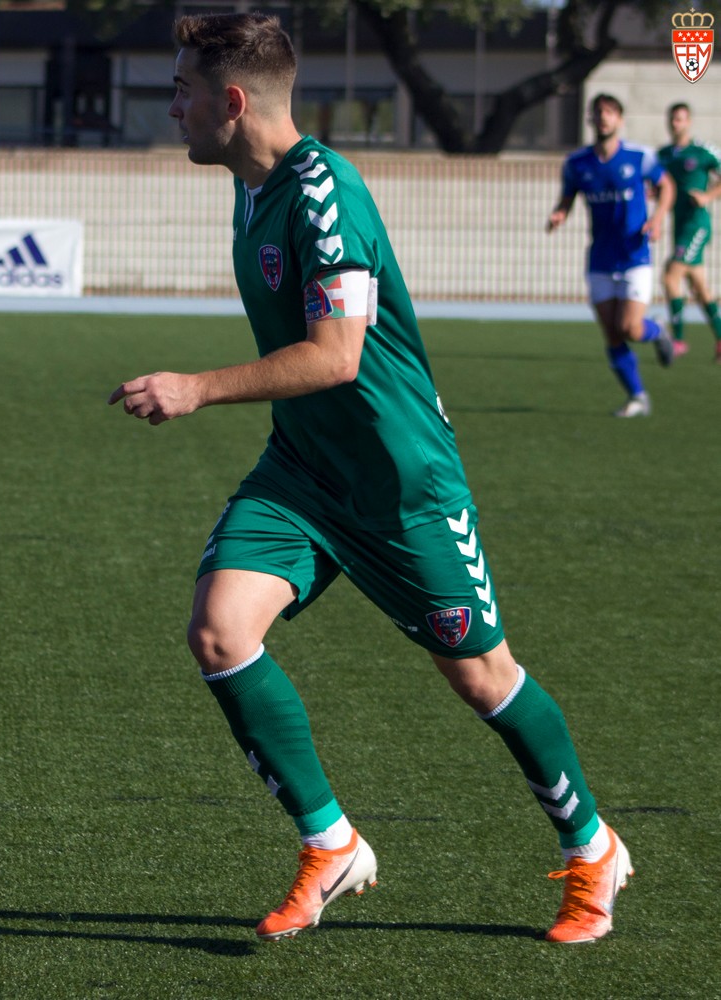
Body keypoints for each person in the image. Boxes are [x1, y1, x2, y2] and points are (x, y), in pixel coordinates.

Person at [108, 12, 628, 945]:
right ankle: (331, 844)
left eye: (182, 87)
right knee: (220, 632)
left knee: (480, 677)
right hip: (305, 472)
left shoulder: (324, 194)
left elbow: (339, 355)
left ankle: (593, 849)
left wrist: (196, 388)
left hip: (402, 488)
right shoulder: (250, 187)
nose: (172, 104)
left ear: (232, 101)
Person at [548, 94, 676, 417]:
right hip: (600, 259)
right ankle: (637, 396)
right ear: (591, 120)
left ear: (620, 119)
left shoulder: (639, 156)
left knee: (631, 328)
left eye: (610, 112)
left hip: (634, 256)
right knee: (612, 333)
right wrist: (559, 215)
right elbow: (567, 198)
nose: (604, 118)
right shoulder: (577, 163)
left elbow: (667, 186)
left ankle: (658, 330)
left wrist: (658, 218)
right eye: (599, 113)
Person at [658, 102, 721, 362]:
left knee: (670, 277)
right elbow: (656, 183)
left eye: (681, 119)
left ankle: (679, 340)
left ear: (689, 122)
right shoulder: (663, 155)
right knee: (699, 287)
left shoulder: (703, 151)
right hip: (679, 225)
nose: (676, 124)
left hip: (696, 225)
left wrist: (707, 196)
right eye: (673, 119)